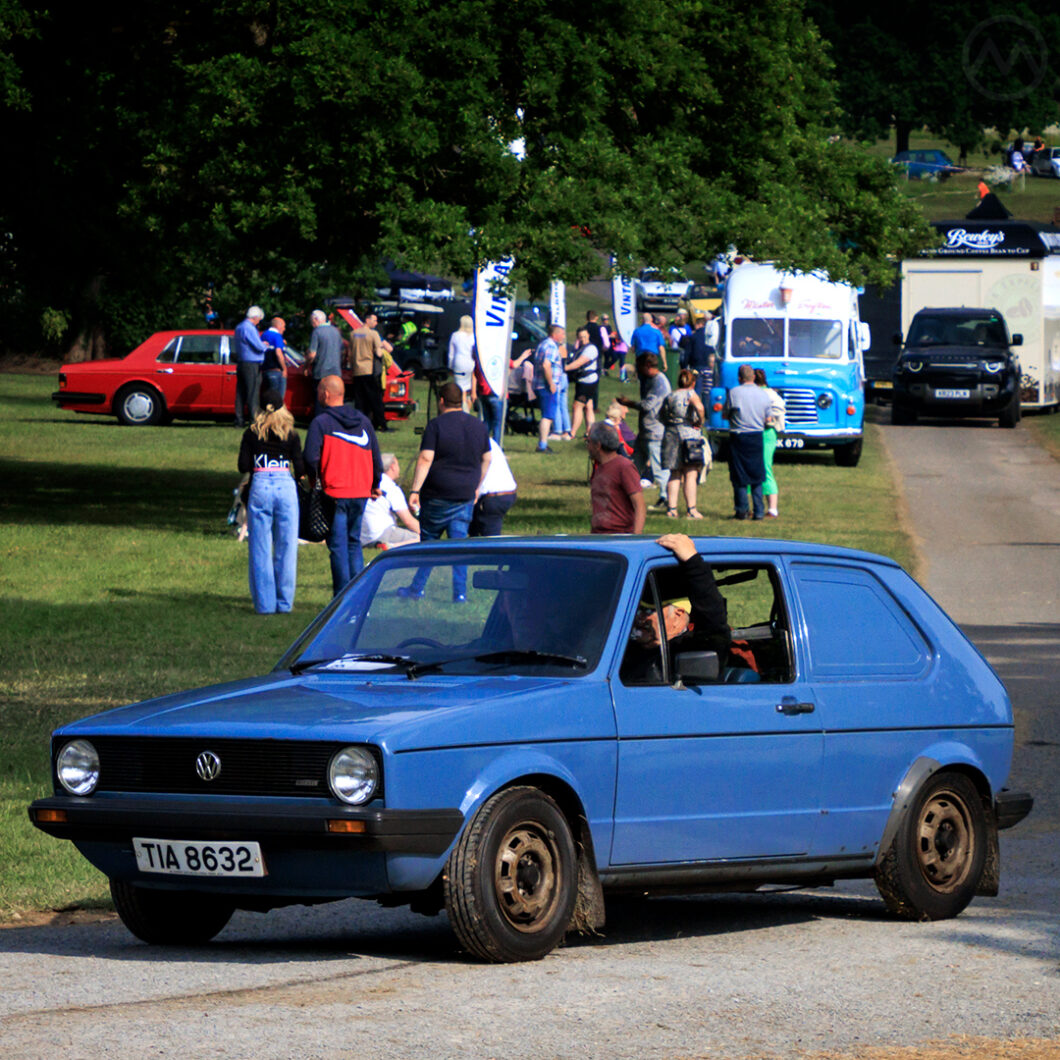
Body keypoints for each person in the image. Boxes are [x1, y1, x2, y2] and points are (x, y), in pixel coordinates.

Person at [401, 381, 491, 601]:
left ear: (441, 401)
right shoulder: (478, 425)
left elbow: (426, 457)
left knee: (430, 543)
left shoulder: (436, 425)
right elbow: (487, 458)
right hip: (465, 495)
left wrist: (415, 490)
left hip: (437, 495)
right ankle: (459, 593)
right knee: (458, 545)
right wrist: (477, 486)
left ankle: (417, 588)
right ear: (461, 401)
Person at [304, 374, 383, 595]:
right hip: (360, 492)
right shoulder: (364, 422)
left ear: (326, 394)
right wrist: (374, 483)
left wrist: (315, 481)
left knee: (338, 546)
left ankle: (341, 598)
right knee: (353, 542)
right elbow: (376, 458)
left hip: (335, 492)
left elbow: (310, 457)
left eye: (320, 390)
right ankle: (357, 595)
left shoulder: (321, 423)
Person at [621, 533, 731, 684]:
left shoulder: (693, 647)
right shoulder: (622, 647)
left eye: (648, 612)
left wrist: (693, 563)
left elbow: (713, 622)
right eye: (638, 610)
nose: (638, 619)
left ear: (678, 616)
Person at [237, 388, 304, 614]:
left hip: (261, 484)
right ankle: (284, 603)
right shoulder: (291, 434)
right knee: (286, 546)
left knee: (260, 546)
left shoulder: (251, 433)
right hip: (285, 484)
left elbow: (243, 466)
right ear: (283, 408)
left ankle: (265, 605)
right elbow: (301, 467)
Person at [617, 353, 671, 507]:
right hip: (645, 431)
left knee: (658, 465)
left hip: (655, 431)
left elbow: (648, 406)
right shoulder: (651, 380)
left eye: (639, 366)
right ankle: (624, 494)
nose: (637, 370)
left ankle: (666, 498)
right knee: (635, 465)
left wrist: (628, 403)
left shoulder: (660, 383)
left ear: (647, 366)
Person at [724, 363, 774, 520]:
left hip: (739, 436)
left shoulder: (734, 392)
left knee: (739, 476)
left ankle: (742, 510)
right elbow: (769, 418)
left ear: (739, 378)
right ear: (753, 377)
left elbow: (726, 414)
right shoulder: (763, 394)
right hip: (757, 436)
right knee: (757, 474)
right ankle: (759, 511)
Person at [660, 369, 709, 519]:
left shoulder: (670, 396)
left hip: (671, 435)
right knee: (690, 473)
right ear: (692, 382)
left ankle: (672, 509)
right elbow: (700, 407)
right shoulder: (691, 394)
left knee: (674, 472)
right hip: (689, 435)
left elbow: (661, 415)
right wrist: (700, 421)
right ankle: (691, 509)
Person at [587, 421, 646, 534]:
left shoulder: (624, 467)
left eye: (588, 442)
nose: (587, 446)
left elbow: (639, 505)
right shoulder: (599, 467)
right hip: (598, 535)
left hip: (619, 535)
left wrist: (634, 538)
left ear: (598, 445)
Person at [360, 452, 420, 550]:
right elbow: (408, 521)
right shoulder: (391, 488)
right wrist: (426, 532)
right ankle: (392, 547)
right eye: (397, 464)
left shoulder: (368, 482)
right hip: (382, 532)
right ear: (393, 466)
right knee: (422, 539)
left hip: (363, 536)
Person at [751, 367, 785, 518]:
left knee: (765, 468)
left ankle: (772, 508)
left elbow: (778, 409)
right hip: (760, 433)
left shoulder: (769, 394)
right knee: (758, 468)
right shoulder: (767, 393)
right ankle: (759, 506)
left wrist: (768, 418)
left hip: (766, 433)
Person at [470, 438, 518, 536]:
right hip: (506, 492)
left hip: (491, 497)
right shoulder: (484, 437)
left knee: (490, 538)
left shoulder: (471, 440)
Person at [349, 312, 388, 430]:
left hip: (356, 370)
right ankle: (382, 424)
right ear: (367, 320)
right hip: (369, 370)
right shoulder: (373, 334)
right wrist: (381, 348)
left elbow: (350, 353)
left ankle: (360, 424)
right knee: (375, 400)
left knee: (360, 401)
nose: (376, 323)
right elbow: (379, 353)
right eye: (374, 320)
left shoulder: (353, 334)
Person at [531, 324, 565, 453]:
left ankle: (542, 443)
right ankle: (543, 445)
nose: (563, 336)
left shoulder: (542, 344)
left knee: (547, 414)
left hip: (540, 384)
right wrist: (551, 383)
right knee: (548, 416)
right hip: (546, 386)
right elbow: (546, 365)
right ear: (555, 334)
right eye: (562, 333)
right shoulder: (551, 346)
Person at [233, 305, 267, 427]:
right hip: (252, 363)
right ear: (255, 317)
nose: (259, 322)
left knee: (240, 392)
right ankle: (253, 419)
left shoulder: (239, 327)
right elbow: (258, 346)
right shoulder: (250, 328)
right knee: (253, 391)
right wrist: (265, 345)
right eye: (259, 319)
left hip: (242, 362)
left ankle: (239, 418)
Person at [304, 309, 344, 415]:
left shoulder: (317, 332)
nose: (312, 324)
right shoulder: (336, 331)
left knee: (320, 398)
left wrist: (307, 365)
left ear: (316, 320)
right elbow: (342, 350)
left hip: (321, 371)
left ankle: (321, 421)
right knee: (334, 397)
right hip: (336, 371)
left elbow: (312, 354)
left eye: (312, 321)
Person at [565, 326, 600, 438]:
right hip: (583, 380)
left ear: (588, 336)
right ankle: (590, 432)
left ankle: (572, 432)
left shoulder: (591, 349)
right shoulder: (580, 348)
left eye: (584, 337)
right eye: (580, 337)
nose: (582, 339)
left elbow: (579, 363)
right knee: (588, 405)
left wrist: (565, 368)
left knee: (577, 405)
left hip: (587, 381)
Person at [448, 315, 476, 411]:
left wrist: (450, 367)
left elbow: (451, 354)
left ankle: (464, 412)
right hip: (471, 363)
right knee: (469, 389)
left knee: (461, 390)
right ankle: (468, 407)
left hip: (459, 363)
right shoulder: (474, 336)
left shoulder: (455, 335)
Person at [261, 317, 289, 398]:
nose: (284, 329)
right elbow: (278, 353)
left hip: (265, 371)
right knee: (277, 400)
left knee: (267, 399)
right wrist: (284, 369)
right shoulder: (277, 336)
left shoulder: (264, 334)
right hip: (276, 371)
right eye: (283, 326)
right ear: (278, 326)